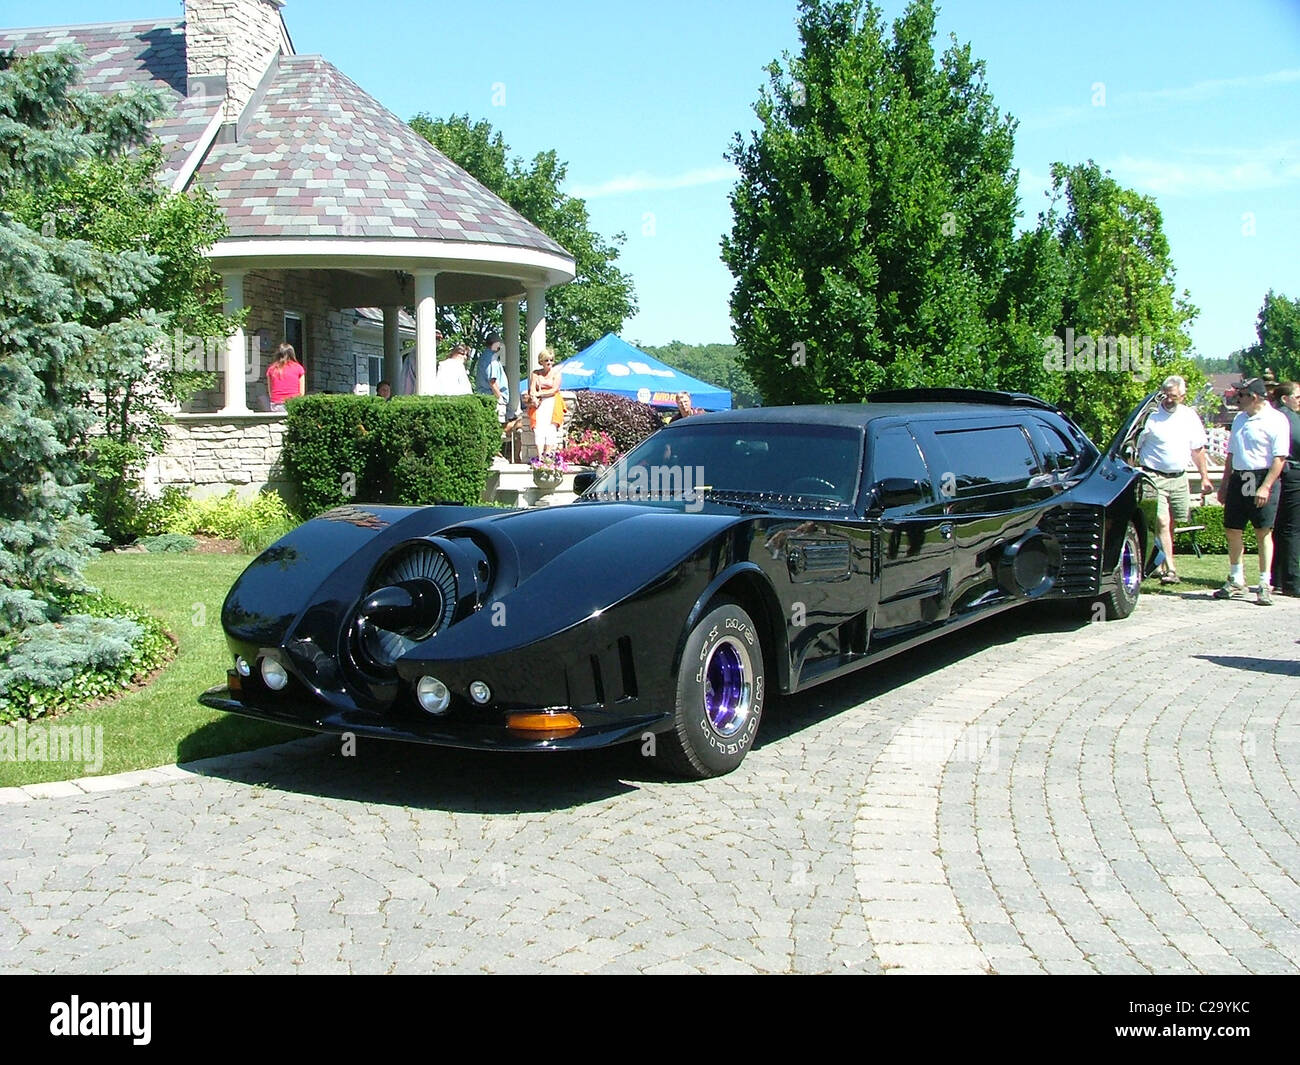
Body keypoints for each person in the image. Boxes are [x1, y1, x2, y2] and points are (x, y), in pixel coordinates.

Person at [1214, 378, 1291, 605]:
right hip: (1240, 477)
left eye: (1242, 396)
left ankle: (1264, 583)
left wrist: (1265, 486)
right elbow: (1231, 454)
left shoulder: (1276, 420)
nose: (1238, 400)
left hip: (1261, 476)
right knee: (1232, 528)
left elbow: (1280, 457)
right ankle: (1237, 578)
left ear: (1254, 397)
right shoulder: (1239, 419)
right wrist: (1225, 484)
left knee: (1262, 531)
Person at [1135, 374, 1214, 584]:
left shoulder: (1189, 416)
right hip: (1154, 475)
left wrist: (1204, 477)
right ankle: (1171, 569)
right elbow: (1134, 447)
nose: (1169, 400)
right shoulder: (1150, 416)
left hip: (1179, 477)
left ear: (1183, 396)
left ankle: (1160, 563)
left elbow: (1197, 449)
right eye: (1166, 396)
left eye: (1174, 396)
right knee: (1161, 520)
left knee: (1172, 523)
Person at [1268, 381, 1300, 596]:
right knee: (1292, 528)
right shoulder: (1289, 418)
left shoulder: (1274, 417)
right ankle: (1293, 580)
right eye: (1297, 396)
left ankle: (1278, 577)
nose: (1299, 400)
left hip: (1279, 474)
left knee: (1280, 527)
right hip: (1292, 474)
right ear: (1284, 398)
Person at [529, 348, 565, 455]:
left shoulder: (556, 373)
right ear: (541, 362)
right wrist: (534, 397)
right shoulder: (536, 373)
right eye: (546, 360)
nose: (549, 362)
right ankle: (540, 456)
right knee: (538, 429)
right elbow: (532, 388)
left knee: (551, 429)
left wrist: (539, 394)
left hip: (552, 403)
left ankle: (548, 455)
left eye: (551, 360)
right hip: (539, 404)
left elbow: (555, 389)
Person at [475, 332, 507, 423]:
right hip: (494, 399)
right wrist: (500, 399)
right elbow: (492, 381)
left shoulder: (483, 356)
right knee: (497, 427)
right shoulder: (492, 359)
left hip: (486, 397)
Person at [266, 342, 305, 412]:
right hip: (293, 404)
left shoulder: (271, 369)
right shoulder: (299, 368)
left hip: (276, 405)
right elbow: (301, 393)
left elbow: (270, 392)